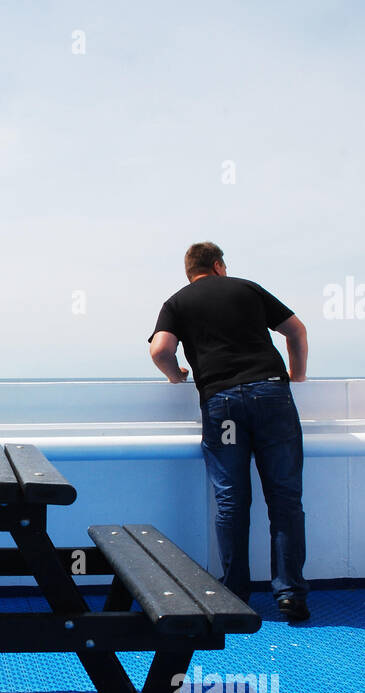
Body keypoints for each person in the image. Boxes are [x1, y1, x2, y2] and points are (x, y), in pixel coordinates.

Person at [148, 242, 311, 621]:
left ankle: (236, 593)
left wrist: (177, 376)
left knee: (232, 500)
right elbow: (296, 330)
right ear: (219, 265)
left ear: (190, 272)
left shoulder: (177, 302)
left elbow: (160, 350)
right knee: (285, 498)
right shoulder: (247, 288)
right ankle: (289, 595)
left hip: (223, 407)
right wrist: (297, 375)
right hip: (271, 394)